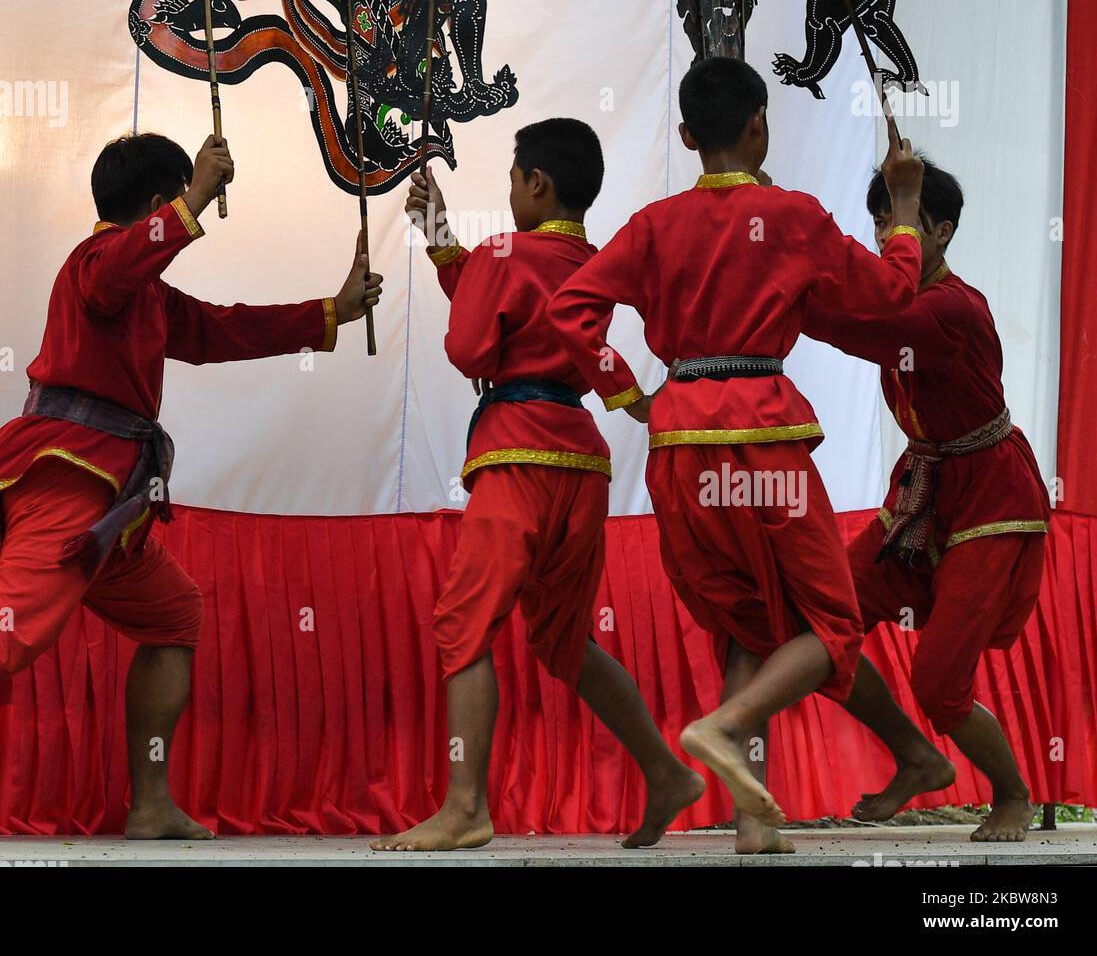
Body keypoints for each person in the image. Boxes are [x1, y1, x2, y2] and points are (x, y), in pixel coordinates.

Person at [0, 132, 381, 842]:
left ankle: (150, 804)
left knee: (173, 614)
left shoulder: (147, 293)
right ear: (158, 204)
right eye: (185, 206)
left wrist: (330, 310)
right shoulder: (95, 265)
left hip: (109, 504)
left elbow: (222, 330)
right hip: (69, 479)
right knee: (5, 636)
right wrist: (193, 200)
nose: (198, 220)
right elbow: (117, 267)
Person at [547, 58, 924, 853]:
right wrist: (903, 210)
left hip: (681, 441)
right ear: (760, 124)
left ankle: (755, 819)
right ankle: (723, 726)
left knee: (747, 628)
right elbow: (892, 299)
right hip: (763, 436)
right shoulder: (792, 217)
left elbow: (570, 310)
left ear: (686, 134)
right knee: (834, 627)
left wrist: (628, 396)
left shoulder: (655, 223)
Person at [373, 119, 704, 852]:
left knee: (464, 625)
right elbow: (514, 295)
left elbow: (469, 346)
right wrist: (440, 234)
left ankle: (465, 806)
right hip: (580, 459)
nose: (512, 189)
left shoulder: (505, 252)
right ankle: (667, 772)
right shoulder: (591, 261)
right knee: (564, 640)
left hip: (516, 451)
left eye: (514, 177)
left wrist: (456, 258)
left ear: (535, 185)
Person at [803, 157, 1049, 843]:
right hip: (922, 488)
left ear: (940, 231)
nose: (888, 233)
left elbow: (847, 323)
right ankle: (917, 757)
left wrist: (786, 275)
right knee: (819, 623)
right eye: (881, 219)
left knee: (939, 682)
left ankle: (1012, 793)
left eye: (903, 219)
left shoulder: (949, 308)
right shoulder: (903, 296)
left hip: (990, 499)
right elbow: (858, 300)